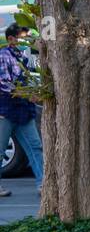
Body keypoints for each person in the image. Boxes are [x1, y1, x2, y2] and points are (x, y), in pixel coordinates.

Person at [0, 23, 44, 198]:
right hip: (5, 112)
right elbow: (4, 83)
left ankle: (43, 184)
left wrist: (33, 93)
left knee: (35, 147)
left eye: (27, 38)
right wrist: (27, 95)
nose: (26, 41)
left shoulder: (23, 58)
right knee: (1, 151)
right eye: (23, 38)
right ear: (11, 39)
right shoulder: (4, 56)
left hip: (23, 112)